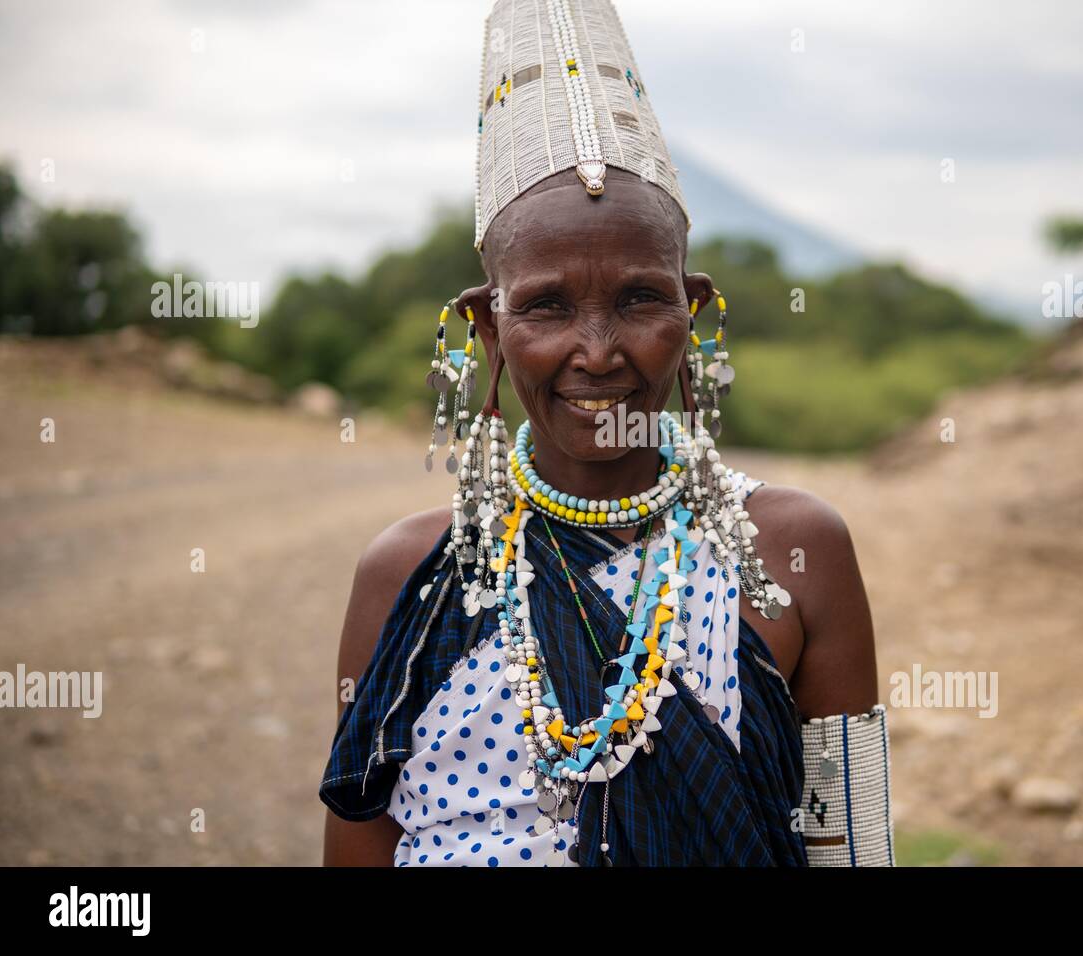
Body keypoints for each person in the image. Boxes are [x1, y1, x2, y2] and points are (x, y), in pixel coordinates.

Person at [320, 0, 892, 867]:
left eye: (639, 300)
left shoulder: (797, 549)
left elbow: (851, 846)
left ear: (692, 313)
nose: (598, 353)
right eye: (547, 306)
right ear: (487, 329)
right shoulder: (409, 575)